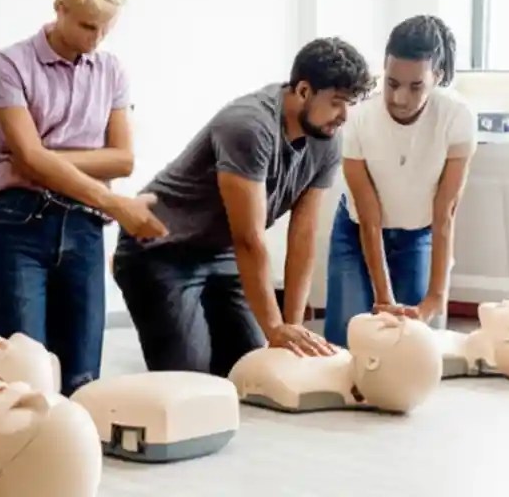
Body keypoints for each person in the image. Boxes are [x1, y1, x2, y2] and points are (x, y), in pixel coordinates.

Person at [113, 37, 374, 377]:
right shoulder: (249, 125)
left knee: (248, 370)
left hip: (220, 252)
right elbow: (249, 238)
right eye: (337, 103)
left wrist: (290, 328)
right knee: (192, 381)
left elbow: (304, 235)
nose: (344, 116)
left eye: (350, 104)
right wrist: (274, 328)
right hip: (161, 249)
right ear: (304, 91)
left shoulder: (326, 140)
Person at [0, 0, 166, 396]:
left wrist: (44, 158)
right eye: (86, 25)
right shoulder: (7, 65)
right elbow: (29, 160)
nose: (96, 38)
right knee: (24, 376)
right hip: (20, 221)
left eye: (106, 27)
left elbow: (123, 160)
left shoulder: (111, 70)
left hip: (83, 225)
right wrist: (110, 198)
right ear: (58, 8)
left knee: (82, 378)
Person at [323, 15, 476, 344]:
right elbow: (369, 218)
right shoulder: (359, 114)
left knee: (413, 341)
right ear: (384, 68)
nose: (399, 98)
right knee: (347, 339)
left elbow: (445, 213)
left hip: (418, 235)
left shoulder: (457, 116)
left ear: (437, 77)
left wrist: (436, 296)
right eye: (392, 83)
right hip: (357, 231)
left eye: (415, 86)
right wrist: (384, 299)